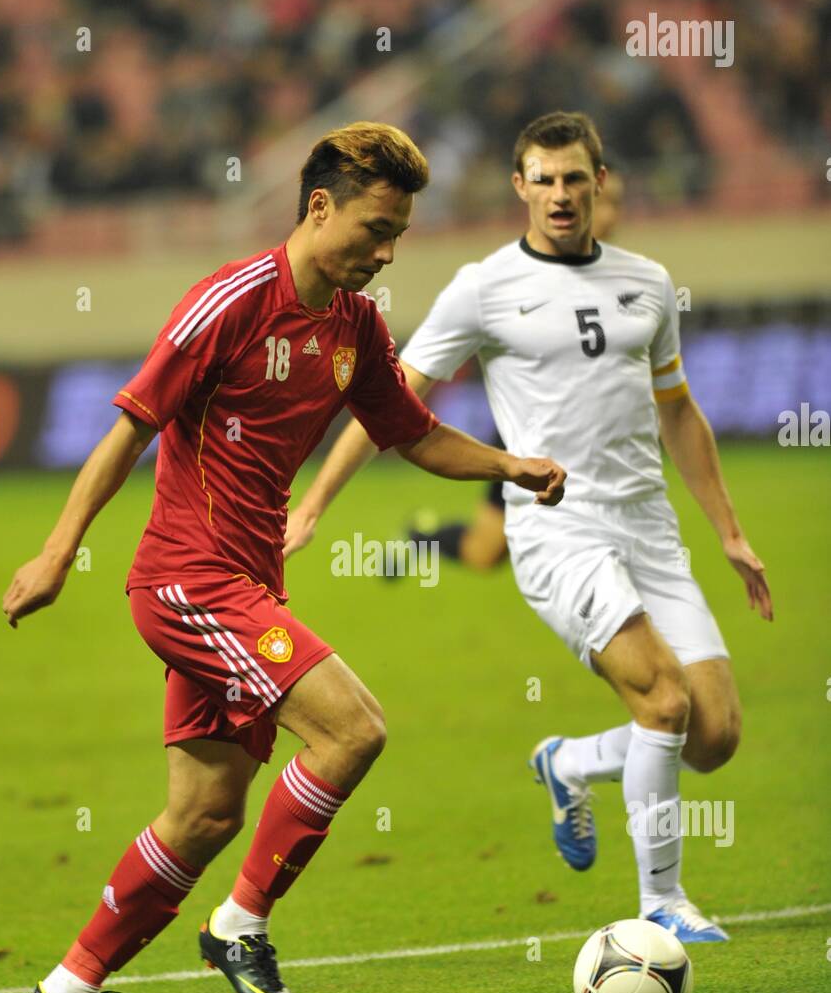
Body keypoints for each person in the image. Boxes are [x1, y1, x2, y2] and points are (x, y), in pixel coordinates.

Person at [2, 122, 566, 993]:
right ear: (318, 206)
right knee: (354, 730)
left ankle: (67, 990)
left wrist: (512, 466)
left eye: (398, 238)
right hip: (189, 582)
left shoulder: (355, 326)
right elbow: (129, 428)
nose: (384, 255)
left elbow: (414, 434)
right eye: (373, 230)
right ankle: (241, 925)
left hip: (247, 588)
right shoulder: (227, 303)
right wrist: (59, 552)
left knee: (206, 813)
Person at [285, 112, 773, 943]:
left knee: (714, 734)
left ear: (599, 183)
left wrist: (727, 530)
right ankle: (663, 902)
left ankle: (570, 763)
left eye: (574, 179)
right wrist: (315, 503)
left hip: (648, 527)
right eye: (543, 179)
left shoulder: (647, 284)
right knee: (662, 698)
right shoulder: (484, 288)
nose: (559, 194)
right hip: (558, 530)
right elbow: (390, 404)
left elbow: (679, 409)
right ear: (520, 187)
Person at [399, 170, 626, 573]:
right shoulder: (538, 270)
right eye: (604, 202)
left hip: (585, 436)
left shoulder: (624, 280)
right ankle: (421, 540)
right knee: (484, 554)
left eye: (617, 204)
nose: (612, 215)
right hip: (528, 430)